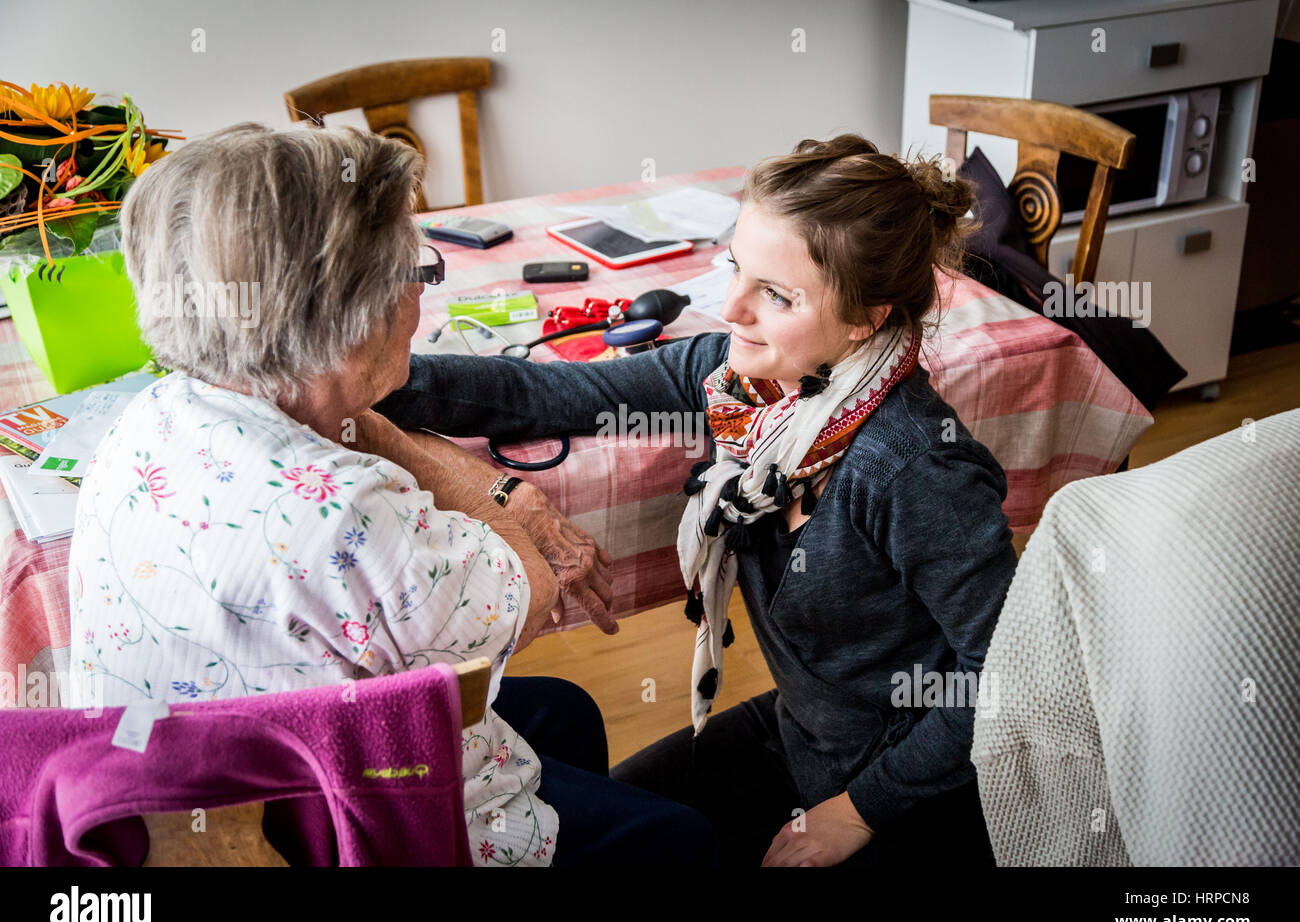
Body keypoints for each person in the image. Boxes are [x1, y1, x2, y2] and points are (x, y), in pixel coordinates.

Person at [65, 122, 716, 867]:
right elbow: (533, 590)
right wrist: (504, 499)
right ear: (350, 314)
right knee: (680, 839)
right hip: (324, 827)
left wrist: (411, 447)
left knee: (564, 714)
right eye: (414, 273)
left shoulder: (150, 415)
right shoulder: (347, 519)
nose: (421, 297)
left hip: (200, 788)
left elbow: (349, 425)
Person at [374, 134, 1019, 866]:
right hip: (806, 734)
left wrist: (857, 812)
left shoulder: (914, 468)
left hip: (907, 784)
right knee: (594, 833)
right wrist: (371, 372)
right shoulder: (740, 386)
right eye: (737, 268)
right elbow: (549, 390)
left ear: (868, 318)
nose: (732, 307)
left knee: (623, 845)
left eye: (777, 295)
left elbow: (1005, 674)